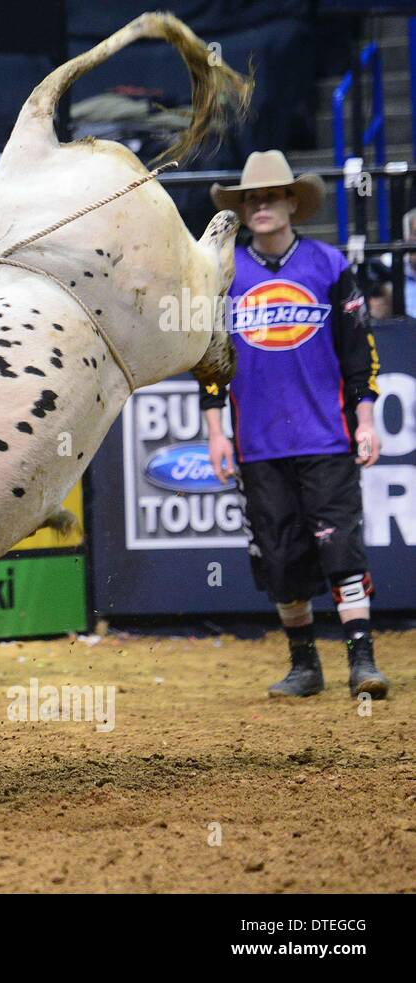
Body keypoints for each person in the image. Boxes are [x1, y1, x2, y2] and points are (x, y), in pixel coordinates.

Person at [204, 150, 388, 700]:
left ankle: (363, 661)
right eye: (250, 199)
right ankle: (304, 665)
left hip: (326, 438)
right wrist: (216, 431)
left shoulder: (330, 266)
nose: (260, 206)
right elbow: (211, 360)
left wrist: (365, 419)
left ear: (291, 203)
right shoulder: (224, 274)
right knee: (280, 556)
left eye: (270, 196)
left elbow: (360, 353)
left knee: (341, 550)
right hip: (258, 445)